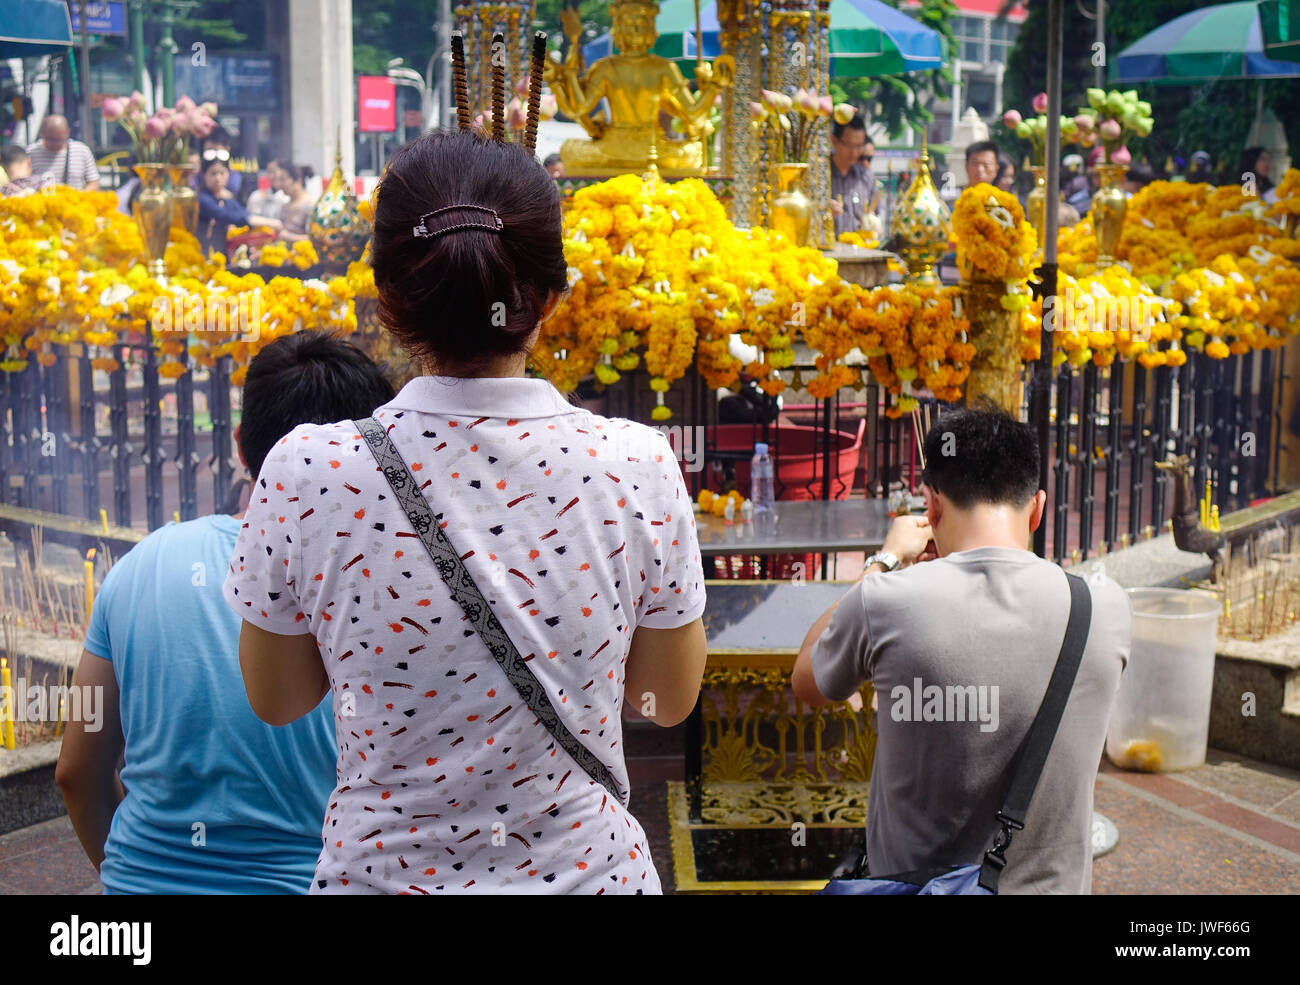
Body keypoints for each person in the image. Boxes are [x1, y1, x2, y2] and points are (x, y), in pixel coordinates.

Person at [224, 127, 709, 895]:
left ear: (386, 298)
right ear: (550, 296)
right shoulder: (635, 465)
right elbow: (665, 697)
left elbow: (278, 698)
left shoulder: (308, 469)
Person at [56, 331, 397, 894]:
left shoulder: (142, 565)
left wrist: (130, 876)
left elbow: (76, 771)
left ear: (239, 446)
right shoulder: (384, 585)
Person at [791, 406, 1130, 894]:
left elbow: (807, 681)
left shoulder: (885, 602)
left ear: (931, 508)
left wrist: (883, 563)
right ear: (1037, 508)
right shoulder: (1104, 606)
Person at [196, 156, 281, 256]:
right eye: (213, 173)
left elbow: (242, 213)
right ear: (204, 175)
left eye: (222, 173)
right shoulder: (202, 199)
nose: (218, 178)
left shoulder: (227, 200)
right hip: (203, 253)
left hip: (222, 254)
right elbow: (228, 215)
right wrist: (269, 222)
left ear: (228, 175)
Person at [830, 113, 878, 237]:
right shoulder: (820, 176)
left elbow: (875, 213)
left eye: (859, 146)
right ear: (835, 141)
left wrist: (873, 224)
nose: (854, 152)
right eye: (849, 145)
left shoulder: (867, 177)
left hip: (860, 250)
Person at [26, 114, 99, 190]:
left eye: (59, 140)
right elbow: (22, 183)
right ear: (42, 134)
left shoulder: (82, 151)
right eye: (50, 139)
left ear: (67, 133)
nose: (55, 144)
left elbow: (93, 182)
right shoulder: (30, 153)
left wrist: (80, 196)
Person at [270, 161, 315, 242]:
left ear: (298, 181)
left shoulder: (309, 206)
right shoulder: (285, 205)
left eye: (283, 179)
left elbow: (315, 238)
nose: (280, 185)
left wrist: (289, 236)